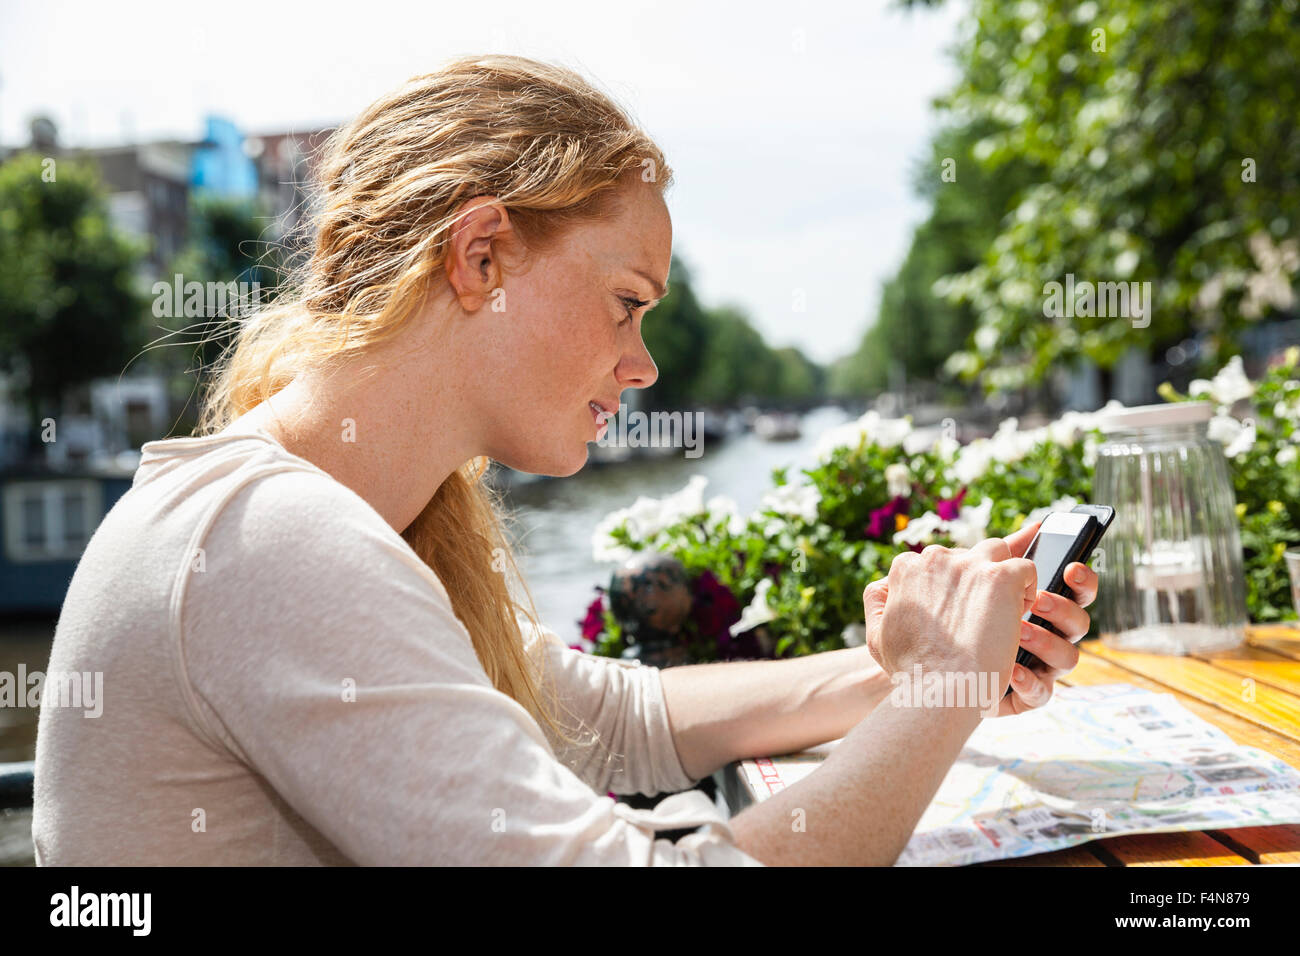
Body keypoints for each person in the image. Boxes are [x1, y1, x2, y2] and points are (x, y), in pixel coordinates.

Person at [32, 54, 1097, 866]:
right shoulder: (272, 547)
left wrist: (900, 668)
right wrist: (942, 688)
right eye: (626, 304)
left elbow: (608, 720)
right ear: (480, 255)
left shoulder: (341, 511)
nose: (641, 367)